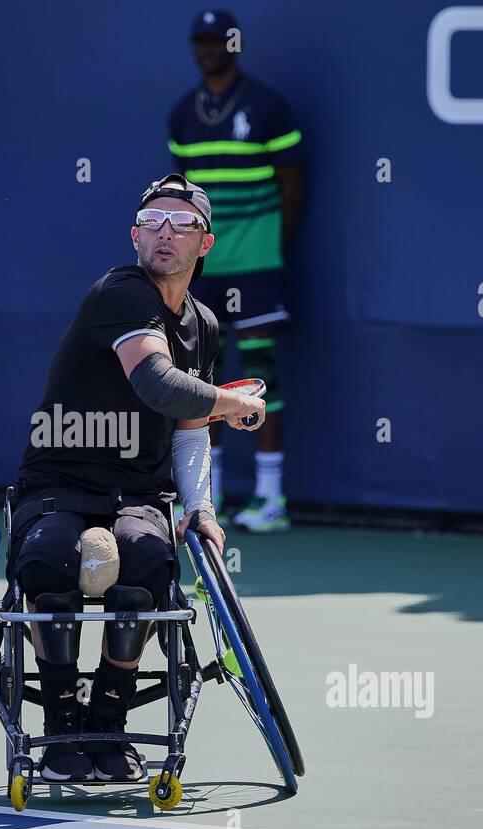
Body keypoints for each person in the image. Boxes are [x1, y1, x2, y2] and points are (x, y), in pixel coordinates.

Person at [6, 173, 265, 782]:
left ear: (205, 243)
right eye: (152, 224)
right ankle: (62, 724)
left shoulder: (203, 324)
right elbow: (159, 385)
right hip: (57, 483)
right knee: (50, 562)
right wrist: (235, 404)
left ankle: (110, 716)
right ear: (135, 238)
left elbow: (188, 428)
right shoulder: (119, 293)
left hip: (139, 494)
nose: (164, 234)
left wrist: (201, 510)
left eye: (180, 224)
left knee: (149, 561)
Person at [168, 9, 304, 533]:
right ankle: (212, 495)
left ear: (234, 44)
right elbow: (184, 200)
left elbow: (293, 189)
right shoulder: (182, 114)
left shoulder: (268, 107)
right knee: (204, 380)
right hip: (204, 271)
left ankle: (271, 498)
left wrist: (268, 248)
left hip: (258, 267)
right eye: (198, 40)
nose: (208, 48)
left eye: (216, 39)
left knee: (261, 373)